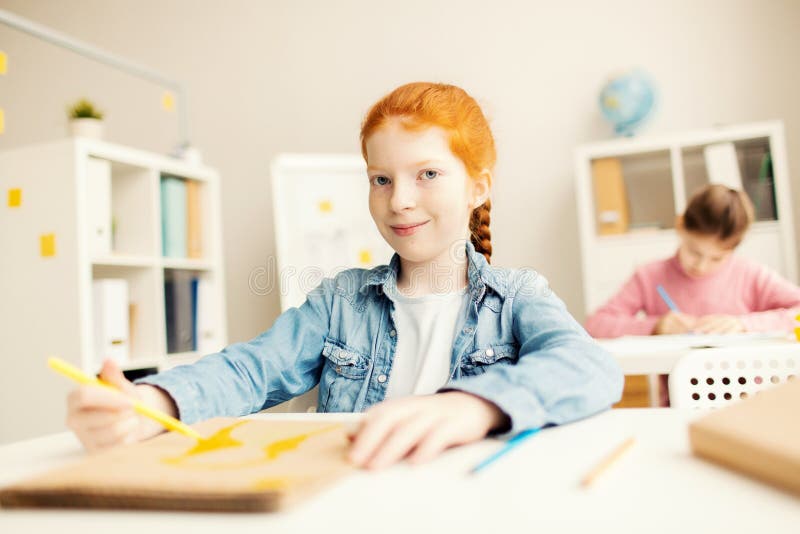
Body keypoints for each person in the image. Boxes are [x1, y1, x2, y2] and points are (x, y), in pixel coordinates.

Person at [67, 82, 622, 469]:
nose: (400, 200)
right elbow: (251, 369)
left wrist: (474, 405)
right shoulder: (339, 302)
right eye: (381, 179)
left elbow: (588, 367)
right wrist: (153, 404)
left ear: (479, 186)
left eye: (427, 173)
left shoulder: (518, 296)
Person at [585, 184, 800, 404]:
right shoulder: (650, 276)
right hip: (678, 405)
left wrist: (745, 324)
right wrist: (656, 326)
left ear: (734, 248)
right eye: (694, 251)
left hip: (746, 404)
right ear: (680, 226)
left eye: (717, 258)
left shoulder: (752, 275)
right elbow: (596, 324)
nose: (702, 265)